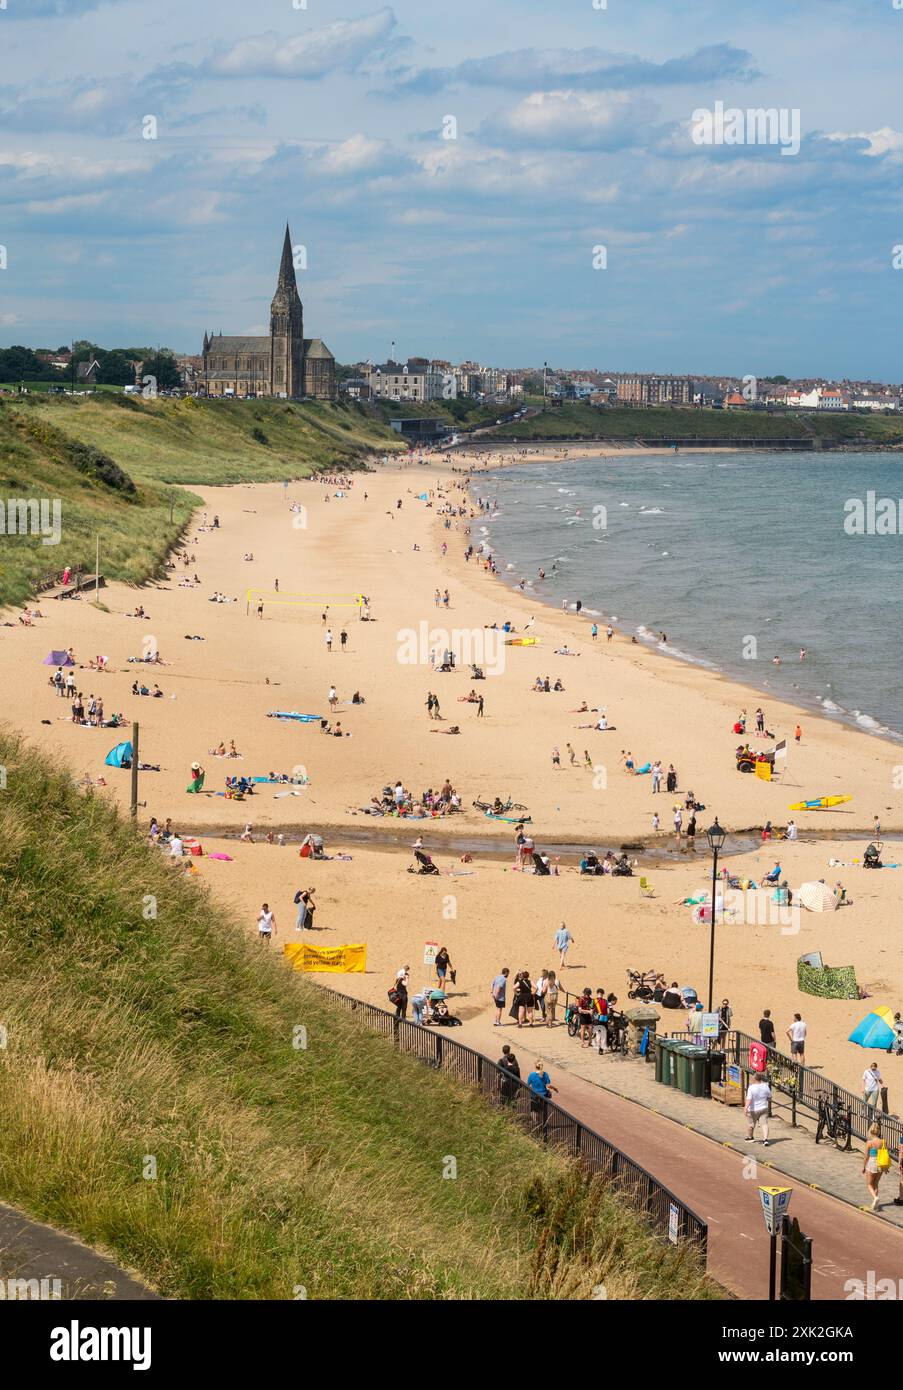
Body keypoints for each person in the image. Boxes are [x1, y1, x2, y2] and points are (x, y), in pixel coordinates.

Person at [863, 1122, 886, 1211]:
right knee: (876, 1184)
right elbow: (885, 1154)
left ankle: (875, 1198)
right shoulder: (883, 1142)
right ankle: (874, 1204)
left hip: (872, 1162)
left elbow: (866, 1156)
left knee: (869, 1184)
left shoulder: (869, 1142)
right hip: (880, 1163)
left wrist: (863, 1167)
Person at [745, 1074, 772, 1146]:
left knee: (751, 1124)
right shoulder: (766, 1086)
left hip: (753, 1109)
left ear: (754, 1079)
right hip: (764, 1108)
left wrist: (745, 1108)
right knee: (764, 1124)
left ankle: (750, 1137)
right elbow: (769, 1098)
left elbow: (749, 1099)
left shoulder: (751, 1088)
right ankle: (765, 1140)